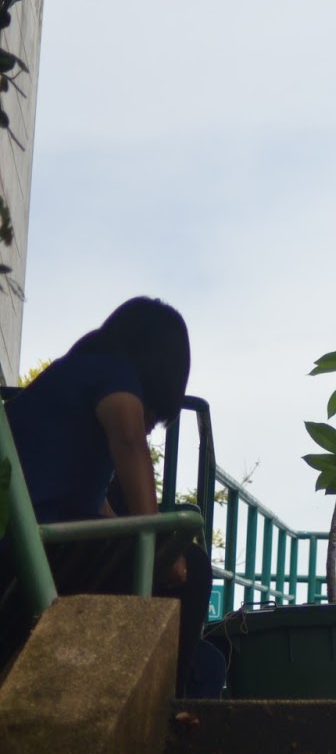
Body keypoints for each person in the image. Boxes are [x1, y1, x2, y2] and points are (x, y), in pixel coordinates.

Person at [5, 296, 216, 695]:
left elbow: (99, 507)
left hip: (29, 549)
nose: (152, 424)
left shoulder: (70, 377)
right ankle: (168, 708)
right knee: (194, 569)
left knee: (205, 653)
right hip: (31, 555)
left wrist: (145, 542)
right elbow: (131, 443)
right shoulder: (116, 376)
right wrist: (159, 549)